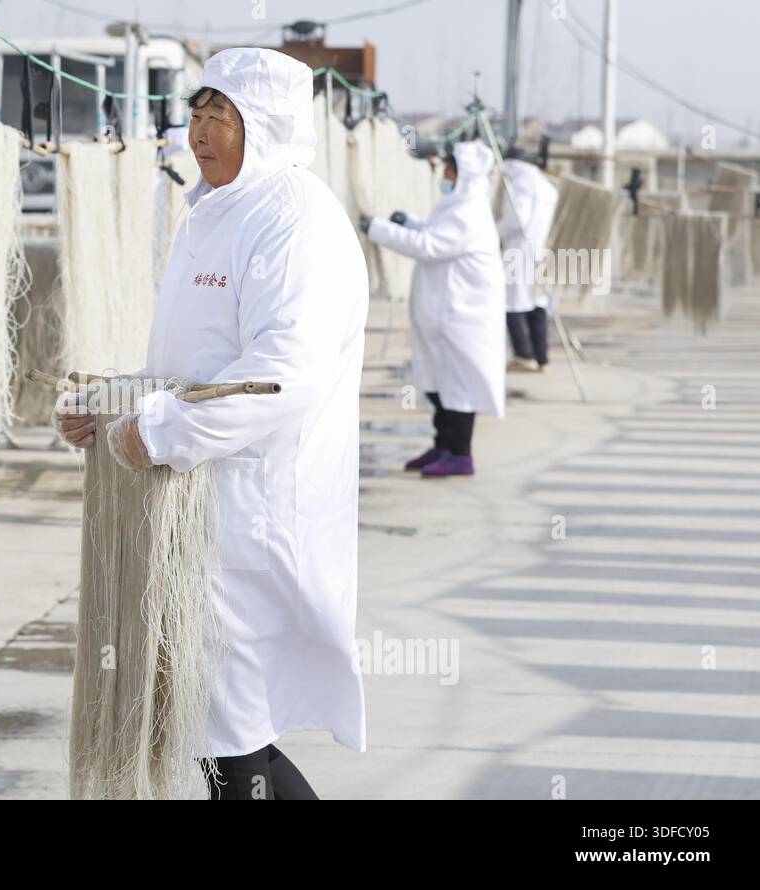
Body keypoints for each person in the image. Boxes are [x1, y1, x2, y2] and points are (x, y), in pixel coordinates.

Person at [54, 47, 370, 800]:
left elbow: (281, 374)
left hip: (251, 519)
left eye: (218, 114)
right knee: (224, 735)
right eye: (194, 113)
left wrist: (158, 431)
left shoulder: (295, 221)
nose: (198, 131)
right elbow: (191, 364)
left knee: (227, 738)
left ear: (261, 124)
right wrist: (113, 405)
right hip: (201, 511)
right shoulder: (213, 212)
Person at [360, 141, 506, 478]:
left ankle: (460, 454)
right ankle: (443, 445)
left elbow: (429, 246)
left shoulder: (468, 212)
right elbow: (432, 232)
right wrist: (409, 221)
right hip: (446, 315)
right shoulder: (458, 205)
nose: (443, 173)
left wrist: (380, 229)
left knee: (460, 387)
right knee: (440, 382)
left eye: (449, 168)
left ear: (463, 173)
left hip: (463, 318)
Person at [498, 149, 559, 372]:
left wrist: (493, 233)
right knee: (537, 302)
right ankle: (541, 356)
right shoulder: (545, 186)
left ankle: (524, 355)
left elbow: (517, 220)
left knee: (513, 303)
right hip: (539, 250)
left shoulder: (520, 184)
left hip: (519, 250)